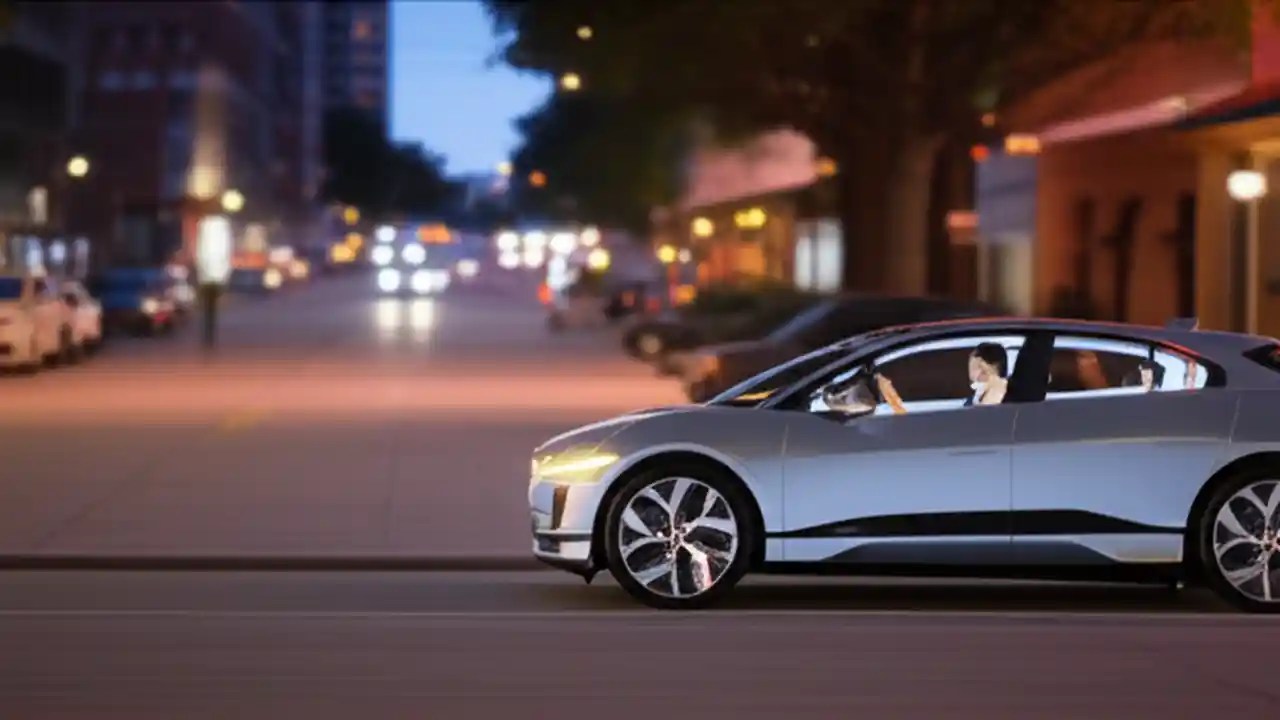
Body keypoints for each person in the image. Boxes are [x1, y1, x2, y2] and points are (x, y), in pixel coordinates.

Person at [874, 342, 1008, 415]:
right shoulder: (977, 393)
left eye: (972, 364)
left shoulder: (996, 389)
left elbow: (980, 422)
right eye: (976, 366)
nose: (978, 376)